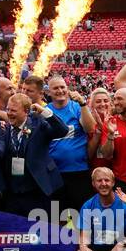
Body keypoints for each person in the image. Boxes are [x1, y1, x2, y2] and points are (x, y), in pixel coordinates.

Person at [0, 94, 69, 217]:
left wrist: (45, 112)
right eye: (8, 109)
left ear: (26, 111)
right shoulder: (4, 127)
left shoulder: (39, 124)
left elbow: (62, 130)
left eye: (13, 110)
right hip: (12, 191)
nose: (9, 113)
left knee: (41, 229)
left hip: (39, 189)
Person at [44, 75, 91, 222]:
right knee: (58, 215)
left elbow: (89, 128)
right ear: (48, 92)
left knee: (79, 214)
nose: (60, 90)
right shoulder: (44, 111)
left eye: (62, 87)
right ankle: (60, 245)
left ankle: (81, 245)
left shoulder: (77, 107)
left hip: (78, 170)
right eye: (55, 88)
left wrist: (83, 104)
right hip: (54, 173)